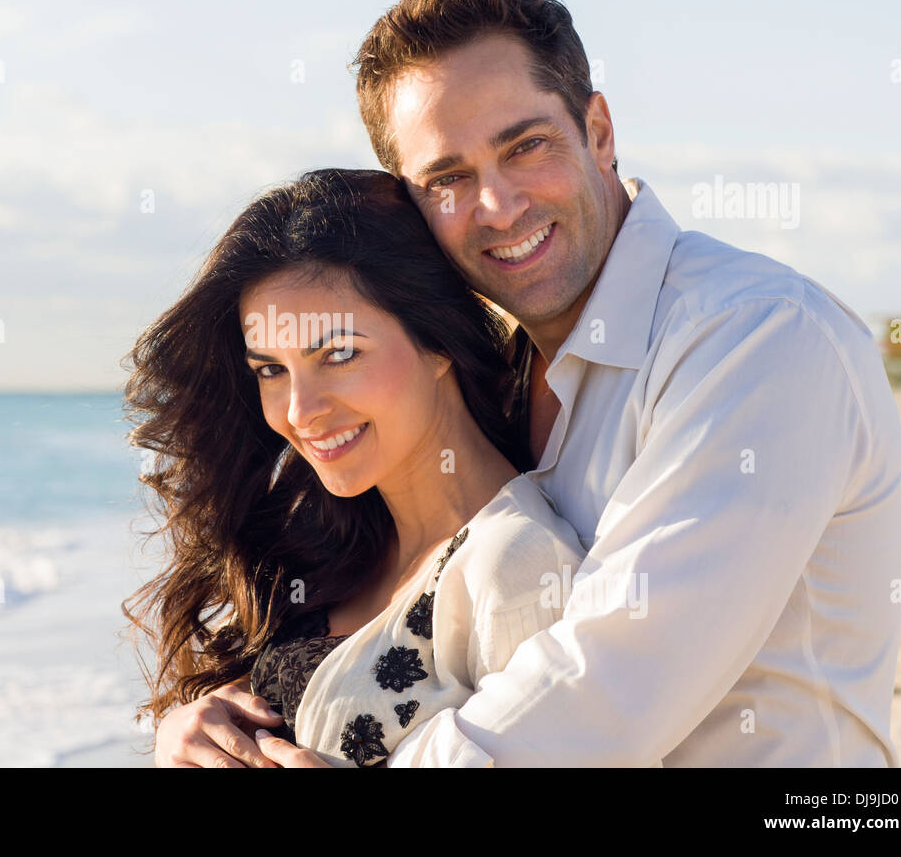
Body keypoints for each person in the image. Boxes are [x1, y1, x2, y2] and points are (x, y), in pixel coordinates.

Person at [154, 0, 901, 767]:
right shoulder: (511, 389)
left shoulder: (753, 338)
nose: (498, 205)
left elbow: (607, 683)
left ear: (601, 132)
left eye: (527, 146)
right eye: (447, 178)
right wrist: (194, 727)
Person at [123, 168, 583, 766]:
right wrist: (188, 734)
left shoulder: (515, 568)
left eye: (339, 354)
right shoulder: (328, 539)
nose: (299, 412)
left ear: (436, 338)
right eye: (270, 369)